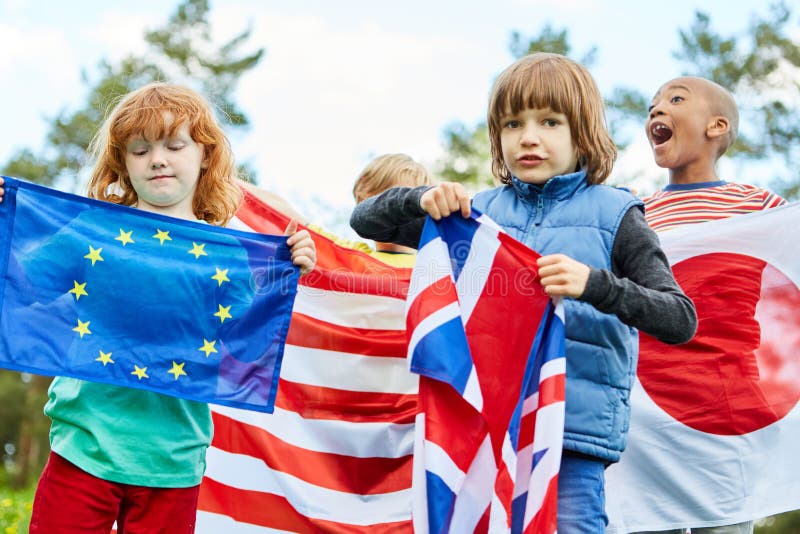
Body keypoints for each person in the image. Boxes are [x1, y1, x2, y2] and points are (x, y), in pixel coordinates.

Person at [350, 52, 698, 532]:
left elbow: (680, 318)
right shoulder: (477, 218)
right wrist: (420, 198)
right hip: (483, 434)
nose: (528, 137)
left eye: (549, 121)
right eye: (513, 124)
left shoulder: (617, 214)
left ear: (583, 133)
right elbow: (365, 219)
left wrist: (593, 285)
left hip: (572, 438)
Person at [2, 82, 316, 533]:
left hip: (174, 457)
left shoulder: (225, 255)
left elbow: (246, 348)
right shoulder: (92, 230)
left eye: (175, 144)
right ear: (122, 163)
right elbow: (22, 284)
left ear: (205, 154)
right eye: (140, 149)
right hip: (83, 443)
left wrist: (286, 279)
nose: (158, 159)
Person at [629, 76, 787, 534]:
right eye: (653, 105)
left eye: (675, 100)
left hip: (727, 404)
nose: (657, 111)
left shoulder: (758, 205)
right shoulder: (636, 213)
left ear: (716, 126)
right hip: (648, 410)